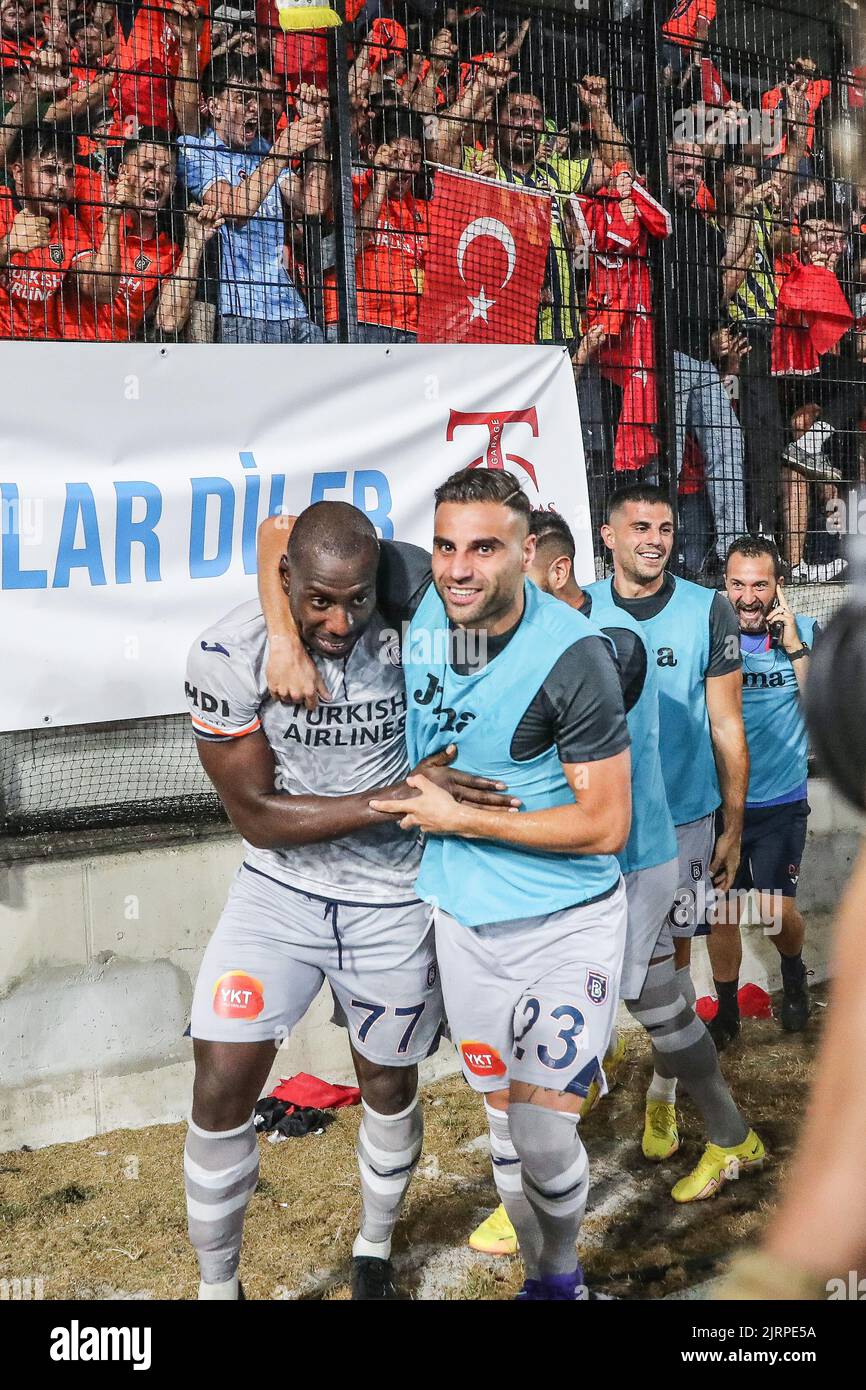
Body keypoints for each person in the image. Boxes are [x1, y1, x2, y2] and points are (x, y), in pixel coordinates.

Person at [184, 500, 517, 1301]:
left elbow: (287, 527)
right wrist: (399, 795)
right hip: (279, 897)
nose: (340, 620)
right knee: (222, 1077)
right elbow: (258, 817)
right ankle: (216, 1286)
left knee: (389, 1085)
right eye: (318, 601)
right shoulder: (228, 653)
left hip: (393, 900)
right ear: (285, 581)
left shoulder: (407, 595)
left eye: (358, 599)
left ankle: (373, 1245)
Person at [369, 469, 632, 1300]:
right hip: (465, 924)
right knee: (505, 1138)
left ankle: (561, 1282)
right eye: (447, 545)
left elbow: (605, 826)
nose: (458, 567)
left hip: (567, 923)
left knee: (540, 1132)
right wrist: (278, 628)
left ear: (530, 556)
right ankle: (544, 1277)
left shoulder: (572, 657)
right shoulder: (415, 597)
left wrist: (460, 819)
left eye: (485, 548)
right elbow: (284, 536)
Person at [599, 485, 760, 1169]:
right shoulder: (572, 607)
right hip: (598, 828)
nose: (654, 539)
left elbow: (727, 723)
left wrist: (734, 824)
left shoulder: (708, 608)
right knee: (604, 972)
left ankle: (664, 1091)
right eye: (639, 527)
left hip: (686, 825)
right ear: (608, 535)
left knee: (671, 965)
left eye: (665, 528)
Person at [707, 536, 817, 1043]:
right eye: (737, 584)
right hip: (722, 806)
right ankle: (727, 1011)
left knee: (775, 911)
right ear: (723, 584)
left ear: (778, 586)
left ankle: (794, 975)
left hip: (780, 803)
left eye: (759, 584)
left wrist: (794, 645)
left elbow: (824, 706)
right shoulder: (712, 635)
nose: (748, 597)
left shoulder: (802, 633)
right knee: (722, 914)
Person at [176, 51, 324, 342]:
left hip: (291, 308)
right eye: (243, 98)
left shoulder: (264, 148)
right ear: (214, 106)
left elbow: (312, 203)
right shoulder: (195, 150)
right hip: (242, 311)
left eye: (256, 98)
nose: (254, 108)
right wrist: (283, 150)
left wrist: (315, 131)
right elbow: (236, 209)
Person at [667, 138, 746, 573]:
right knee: (669, 456)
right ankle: (660, 554)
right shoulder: (655, 215)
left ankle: (731, 550)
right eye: (681, 166)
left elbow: (713, 291)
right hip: (665, 353)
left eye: (695, 168)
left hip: (702, 359)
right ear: (665, 166)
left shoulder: (704, 228)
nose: (689, 174)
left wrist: (718, 332)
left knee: (728, 444)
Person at [67, 127, 223, 339]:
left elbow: (170, 321)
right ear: (123, 171)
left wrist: (194, 244)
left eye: (166, 172)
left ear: (174, 184)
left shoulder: (167, 252)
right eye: (146, 167)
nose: (156, 178)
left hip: (121, 359)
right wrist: (112, 216)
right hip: (66, 349)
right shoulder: (90, 199)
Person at [0, 125, 94, 339]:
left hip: (44, 348)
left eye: (69, 174)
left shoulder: (70, 226)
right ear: (19, 172)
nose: (62, 184)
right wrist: (8, 245)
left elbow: (100, 291)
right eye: (50, 171)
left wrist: (114, 219)